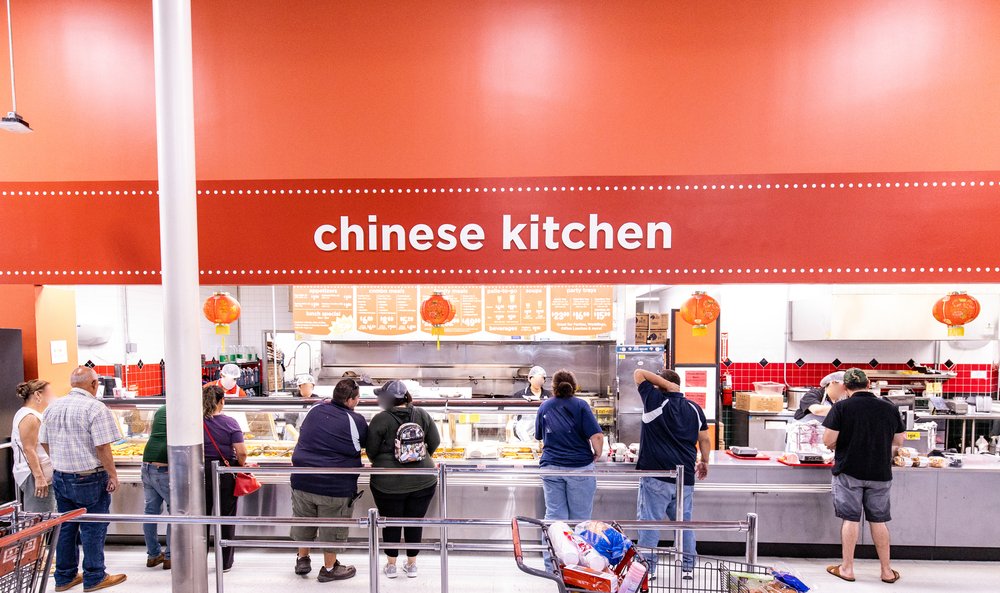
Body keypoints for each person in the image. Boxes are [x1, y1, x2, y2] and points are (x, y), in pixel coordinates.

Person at [40, 366, 126, 592]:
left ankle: (64, 578)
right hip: (90, 477)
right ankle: (95, 576)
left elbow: (44, 441)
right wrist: (113, 474)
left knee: (67, 527)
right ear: (94, 384)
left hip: (61, 476)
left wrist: (59, 459)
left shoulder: (53, 406)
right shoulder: (95, 407)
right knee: (93, 527)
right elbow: (103, 446)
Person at [823, 368, 905, 585]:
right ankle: (886, 571)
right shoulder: (889, 408)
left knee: (850, 519)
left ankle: (847, 568)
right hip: (880, 472)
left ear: (845, 387)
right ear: (869, 384)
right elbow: (899, 441)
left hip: (849, 470)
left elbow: (828, 440)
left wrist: (842, 443)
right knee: (879, 520)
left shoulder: (841, 407)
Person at [633, 368, 710, 576]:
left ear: (660, 385)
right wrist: (705, 461)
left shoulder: (654, 400)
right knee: (683, 523)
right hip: (685, 476)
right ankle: (687, 567)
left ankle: (648, 569)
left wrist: (664, 386)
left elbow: (639, 373)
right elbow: (704, 439)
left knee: (650, 522)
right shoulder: (694, 407)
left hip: (657, 475)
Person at [291, 379, 368, 582]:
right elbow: (365, 445)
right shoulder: (356, 420)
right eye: (358, 398)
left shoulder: (315, 409)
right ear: (350, 400)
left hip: (302, 479)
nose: (359, 401)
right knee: (332, 526)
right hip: (334, 485)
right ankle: (329, 569)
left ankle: (303, 558)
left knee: (303, 520)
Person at [365, 380, 441, 579]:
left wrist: (383, 462)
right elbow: (435, 441)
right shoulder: (421, 414)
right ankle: (412, 565)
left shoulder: (380, 419)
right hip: (423, 479)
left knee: (391, 522)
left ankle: (391, 566)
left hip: (388, 482)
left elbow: (371, 451)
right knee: (415, 521)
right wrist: (421, 458)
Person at [535, 370, 604, 571]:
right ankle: (581, 567)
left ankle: (552, 566)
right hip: (579, 468)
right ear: (574, 386)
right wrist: (597, 453)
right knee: (580, 520)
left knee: (554, 517)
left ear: (554, 387)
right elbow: (597, 437)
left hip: (551, 468)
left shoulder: (545, 406)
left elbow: (539, 437)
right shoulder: (581, 405)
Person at [203, 384, 248, 572]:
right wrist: (239, 466)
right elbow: (242, 453)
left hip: (200, 472)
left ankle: (198, 558)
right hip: (224, 473)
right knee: (226, 517)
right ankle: (224, 562)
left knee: (201, 517)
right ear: (222, 401)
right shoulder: (230, 423)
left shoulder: (195, 421)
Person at [12, 379, 55, 512]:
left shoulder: (32, 414)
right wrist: (39, 477)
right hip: (34, 475)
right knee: (39, 521)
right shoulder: (29, 417)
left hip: (40, 473)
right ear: (38, 395)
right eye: (50, 394)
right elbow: (29, 449)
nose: (53, 397)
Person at [141, 404, 170, 569]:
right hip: (164, 465)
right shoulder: (186, 407)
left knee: (150, 512)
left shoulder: (160, 409)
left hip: (147, 462)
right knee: (175, 512)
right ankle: (170, 556)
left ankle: (153, 555)